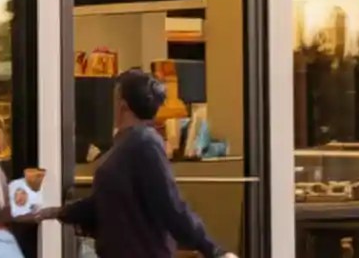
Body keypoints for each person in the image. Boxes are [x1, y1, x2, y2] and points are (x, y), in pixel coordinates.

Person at [33, 69, 237, 258]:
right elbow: (104, 202)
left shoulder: (144, 144)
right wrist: (56, 212)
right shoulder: (128, 145)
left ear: (122, 106)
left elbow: (170, 206)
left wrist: (213, 250)